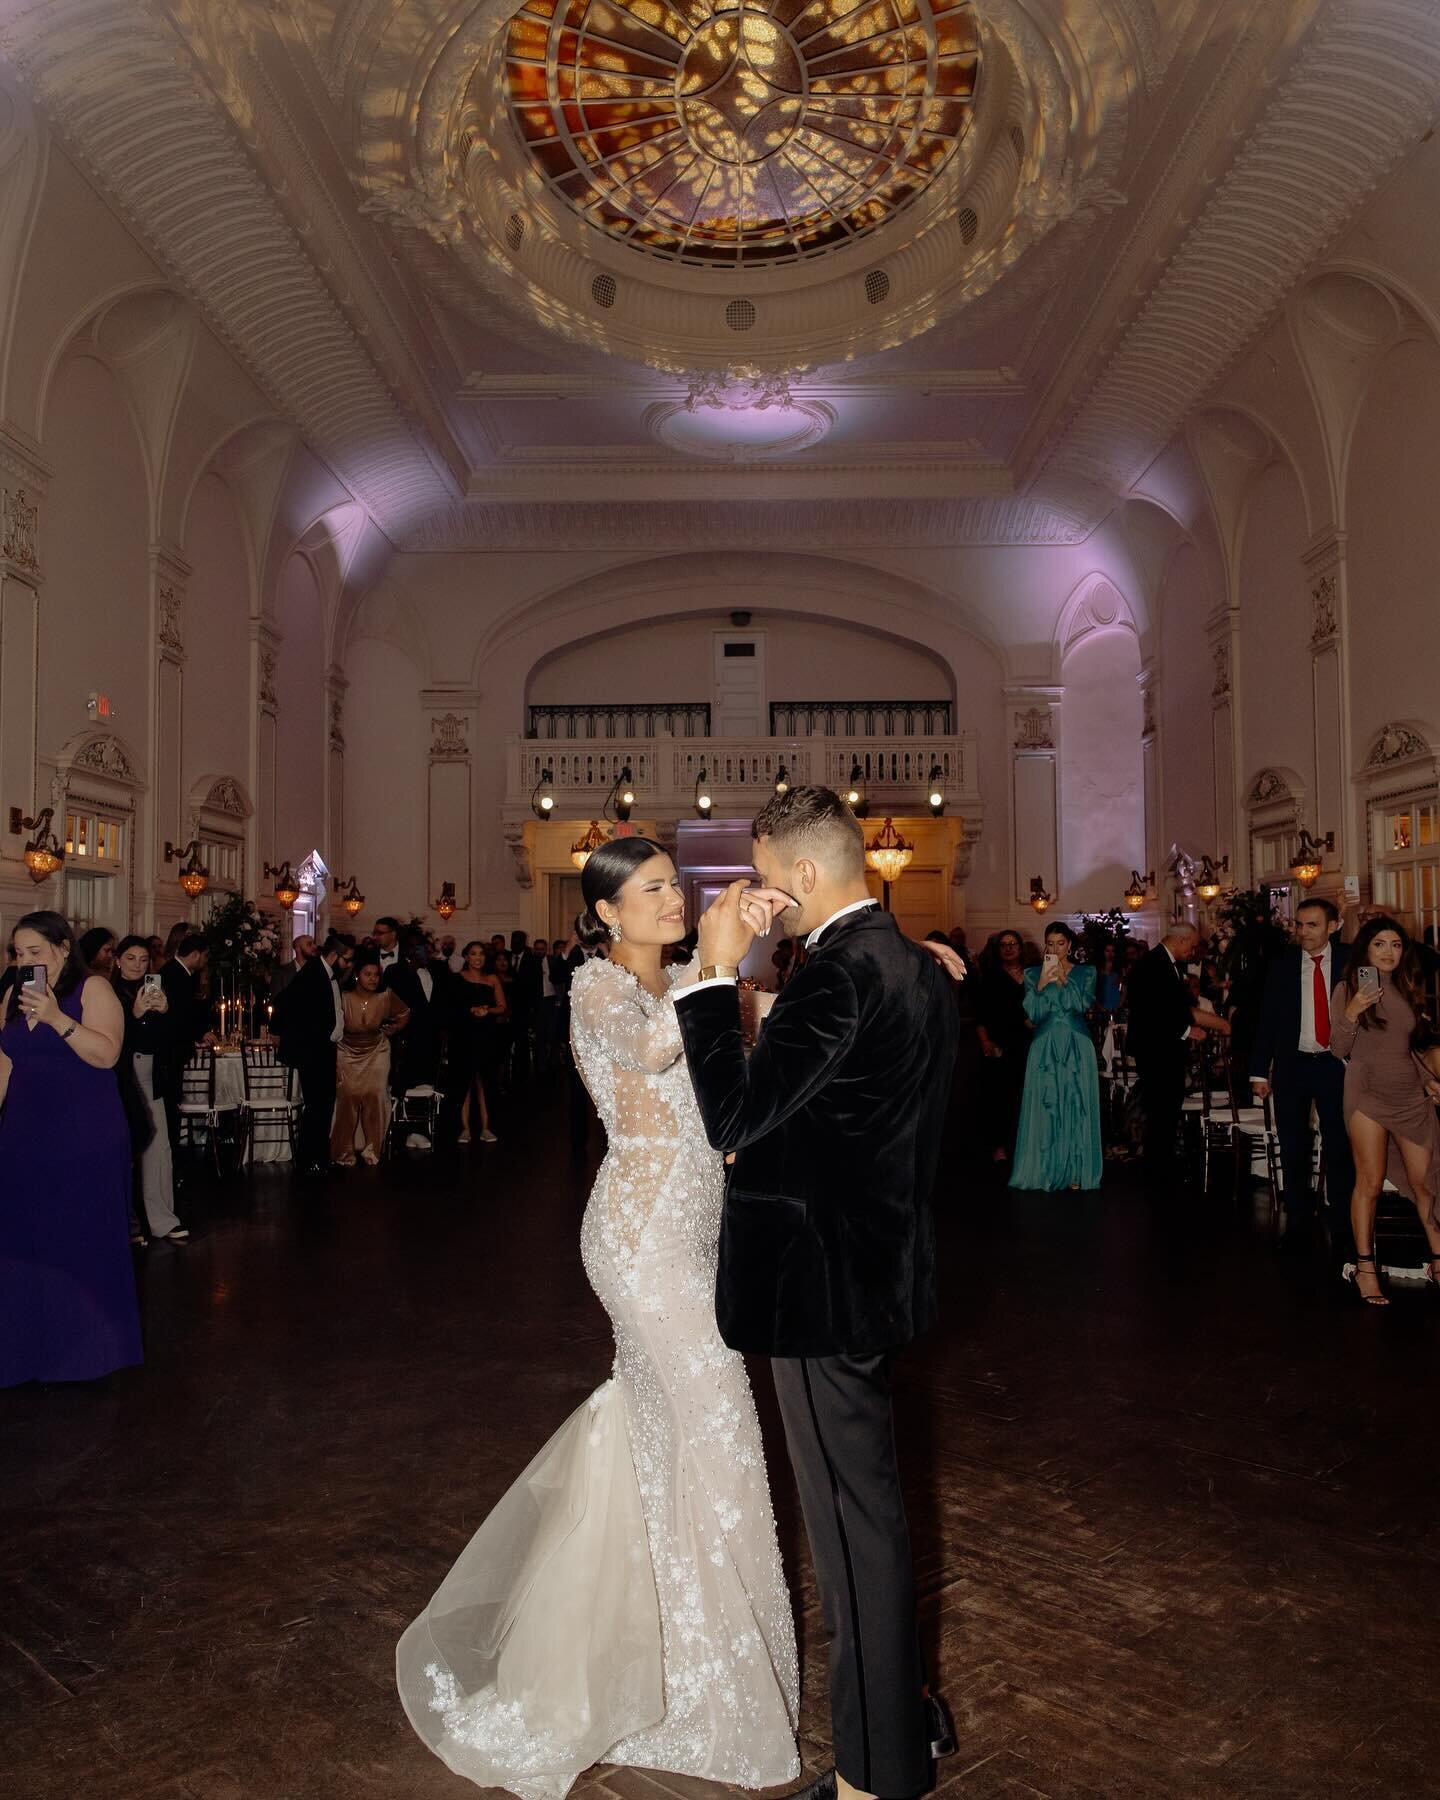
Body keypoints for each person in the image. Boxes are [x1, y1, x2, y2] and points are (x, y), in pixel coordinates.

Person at [398, 837, 800, 1794]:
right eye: (653, 890)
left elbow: (778, 1044)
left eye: (677, 885)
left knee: (676, 1442)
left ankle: (671, 1667)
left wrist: (858, 959)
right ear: (607, 913)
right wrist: (716, 954)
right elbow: (661, 1046)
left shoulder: (704, 986)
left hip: (693, 1236)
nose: (673, 899)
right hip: (642, 1239)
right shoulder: (599, 990)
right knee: (725, 1433)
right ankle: (706, 1686)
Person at [674, 786, 961, 1800]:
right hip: (873, 1273)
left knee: (851, 1534)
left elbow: (734, 1116)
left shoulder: (837, 978)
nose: (762, 896)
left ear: (795, 878)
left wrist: (714, 975)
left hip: (820, 1287)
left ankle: (876, 1778)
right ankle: (890, 1743)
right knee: (867, 1519)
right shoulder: (914, 965)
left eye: (764, 877)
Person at [0, 910, 140, 1385]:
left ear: (63, 947)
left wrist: (57, 1018)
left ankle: (89, 1354)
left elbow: (107, 1054)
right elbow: (4, 1066)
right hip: (24, 1136)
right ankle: (26, 1353)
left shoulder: (93, 989)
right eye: (18, 953)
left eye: (34, 952)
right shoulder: (12, 996)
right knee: (26, 1242)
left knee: (81, 1238)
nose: (25, 961)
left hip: (86, 1134)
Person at [1329, 915, 1440, 1306]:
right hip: (1367, 1094)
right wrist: (1352, 1010)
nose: (1389, 952)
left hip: (1409, 1094)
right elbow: (1338, 1049)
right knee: (1370, 1183)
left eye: (1395, 944)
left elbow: (1405, 1047)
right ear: (1365, 949)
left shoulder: (1409, 986)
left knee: (1425, 1181)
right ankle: (1365, 1268)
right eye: (1380, 945)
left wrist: (1427, 1079)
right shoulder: (1348, 988)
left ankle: (1438, 1261)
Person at [1249, 897, 1354, 1256]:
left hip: (1335, 1065)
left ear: (1333, 926)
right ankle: (1296, 1227)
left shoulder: (1352, 961)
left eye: (1312, 925)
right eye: (1299, 924)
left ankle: (1343, 1228)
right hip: (1293, 1066)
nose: (1303, 932)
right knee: (1294, 1147)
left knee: (1340, 1147)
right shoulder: (1281, 966)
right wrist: (1258, 1071)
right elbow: (1266, 1020)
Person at [1125, 921, 1231, 1199]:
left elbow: (1170, 1006)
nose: (1194, 951)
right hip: (1157, 1048)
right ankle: (1158, 1172)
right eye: (1193, 945)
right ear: (1182, 941)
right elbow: (1150, 1008)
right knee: (1162, 1110)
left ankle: (1161, 1169)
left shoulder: (1163, 962)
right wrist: (1185, 1030)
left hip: (1161, 1047)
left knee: (1165, 1110)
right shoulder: (1153, 963)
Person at [1009, 921, 1103, 1192]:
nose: (1055, 948)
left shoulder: (1086, 972)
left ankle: (1077, 1171)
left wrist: (1062, 977)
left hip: (1077, 1042)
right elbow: (1034, 1015)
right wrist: (1040, 985)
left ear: (1070, 945)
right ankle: (1042, 1169)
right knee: (1045, 1105)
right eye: (1050, 943)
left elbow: (1082, 1004)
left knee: (1077, 1103)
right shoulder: (1031, 974)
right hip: (1045, 1043)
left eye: (1060, 943)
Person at [111, 935, 187, 1244]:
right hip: (122, 1076)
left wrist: (166, 1011)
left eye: (143, 960)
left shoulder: (154, 990)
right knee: (126, 1149)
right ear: (118, 960)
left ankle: (163, 1220)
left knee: (159, 1148)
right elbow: (114, 1040)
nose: (138, 966)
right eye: (130, 959)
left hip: (153, 1073)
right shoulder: (109, 992)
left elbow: (173, 1039)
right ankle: (126, 1223)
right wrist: (136, 1015)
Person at [273, 932, 354, 1176]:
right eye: (346, 959)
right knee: (317, 1106)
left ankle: (318, 1158)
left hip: (322, 1049)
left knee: (322, 1105)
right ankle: (312, 1160)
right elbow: (285, 1003)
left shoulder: (324, 974)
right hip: (313, 1051)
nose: (349, 965)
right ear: (333, 955)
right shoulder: (312, 974)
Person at [331, 949, 410, 1167]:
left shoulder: (386, 995)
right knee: (348, 1098)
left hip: (377, 1051)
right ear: (357, 975)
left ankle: (372, 1148)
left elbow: (404, 1013)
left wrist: (393, 1030)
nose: (373, 979)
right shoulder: (343, 997)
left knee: (375, 1097)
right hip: (346, 1052)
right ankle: (344, 1151)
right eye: (368, 974)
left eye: (376, 975)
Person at [977, 928, 1032, 1166]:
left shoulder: (1032, 975)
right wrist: (986, 1042)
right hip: (1002, 1043)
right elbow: (980, 1013)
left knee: (1027, 1094)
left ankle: (1025, 1144)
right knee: (1000, 1097)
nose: (1009, 948)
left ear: (1021, 948)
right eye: (1004, 945)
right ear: (998, 950)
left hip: (1029, 1041)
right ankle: (999, 1146)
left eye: (1013, 944)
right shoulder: (990, 976)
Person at [449, 941, 506, 1144]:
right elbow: (451, 1008)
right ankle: (464, 1128)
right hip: (464, 1035)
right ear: (466, 957)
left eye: (481, 954)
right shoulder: (456, 979)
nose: (478, 957)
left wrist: (487, 1011)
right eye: (473, 954)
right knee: (464, 1082)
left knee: (485, 1082)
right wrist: (470, 1010)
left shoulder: (492, 979)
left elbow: (502, 1006)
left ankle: (486, 1127)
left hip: (486, 1035)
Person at [268, 933, 314, 1003]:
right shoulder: (281, 974)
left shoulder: (317, 972)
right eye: (309, 944)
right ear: (297, 948)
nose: (314, 947)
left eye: (314, 943)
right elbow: (276, 1003)